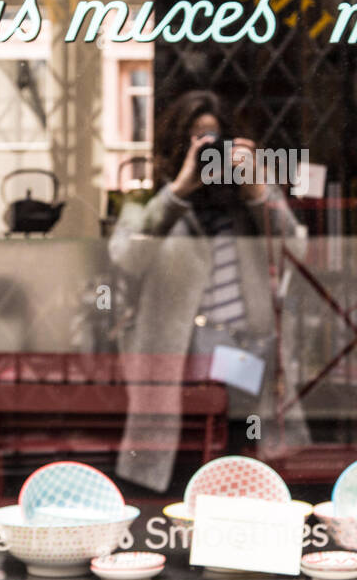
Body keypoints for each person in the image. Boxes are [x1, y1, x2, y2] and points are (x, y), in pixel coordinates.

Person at [109, 90, 307, 493]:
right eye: (197, 138)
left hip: (246, 360)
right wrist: (177, 192)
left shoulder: (244, 201)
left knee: (244, 470)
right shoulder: (148, 199)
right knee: (180, 476)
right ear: (177, 145)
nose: (208, 149)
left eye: (216, 138)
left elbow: (296, 253)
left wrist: (257, 190)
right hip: (179, 369)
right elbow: (127, 256)